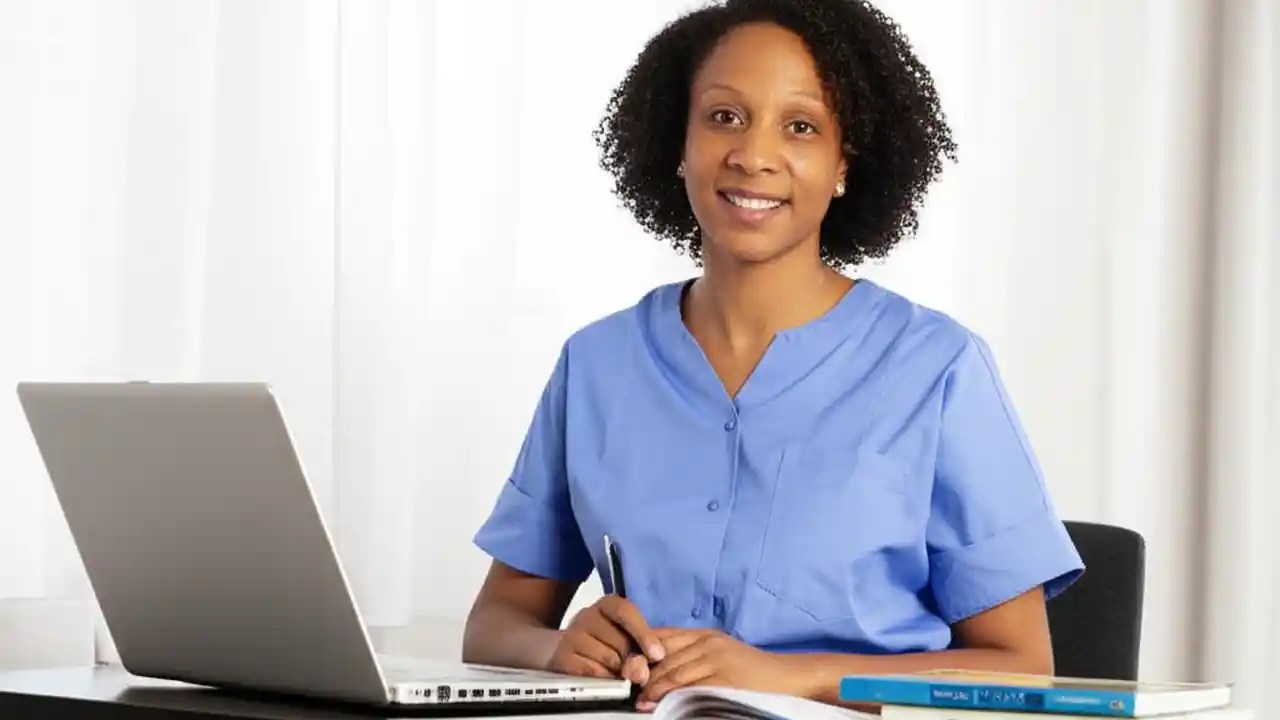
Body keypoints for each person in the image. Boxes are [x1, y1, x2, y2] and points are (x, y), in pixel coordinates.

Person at [462, 0, 1084, 710]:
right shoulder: (597, 364)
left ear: (844, 163)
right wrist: (557, 647)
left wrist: (786, 675)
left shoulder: (936, 368)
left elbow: (1022, 664)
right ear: (679, 141)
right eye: (724, 116)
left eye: (801, 126)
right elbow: (496, 623)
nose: (753, 155)